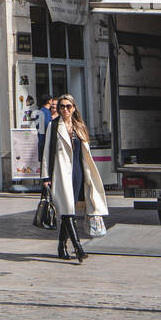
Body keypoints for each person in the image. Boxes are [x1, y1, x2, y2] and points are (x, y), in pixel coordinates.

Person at [41, 95, 108, 263]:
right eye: (62, 106)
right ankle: (78, 248)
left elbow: (84, 153)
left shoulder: (80, 127)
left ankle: (61, 247)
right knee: (68, 209)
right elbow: (47, 152)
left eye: (68, 106)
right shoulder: (53, 125)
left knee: (68, 210)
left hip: (78, 172)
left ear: (74, 108)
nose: (65, 109)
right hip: (61, 172)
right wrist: (45, 177)